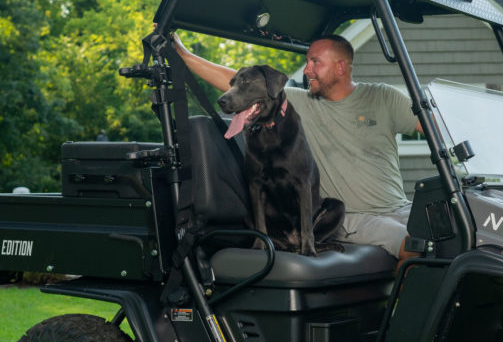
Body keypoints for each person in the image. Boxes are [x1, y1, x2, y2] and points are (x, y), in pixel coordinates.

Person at [171, 32, 420, 260]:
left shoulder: (384, 97)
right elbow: (235, 81)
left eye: (315, 62)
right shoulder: (296, 101)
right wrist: (183, 54)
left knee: (451, 233)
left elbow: (434, 126)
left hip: (399, 207)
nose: (307, 70)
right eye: (307, 62)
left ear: (341, 67)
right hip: (351, 217)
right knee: (413, 245)